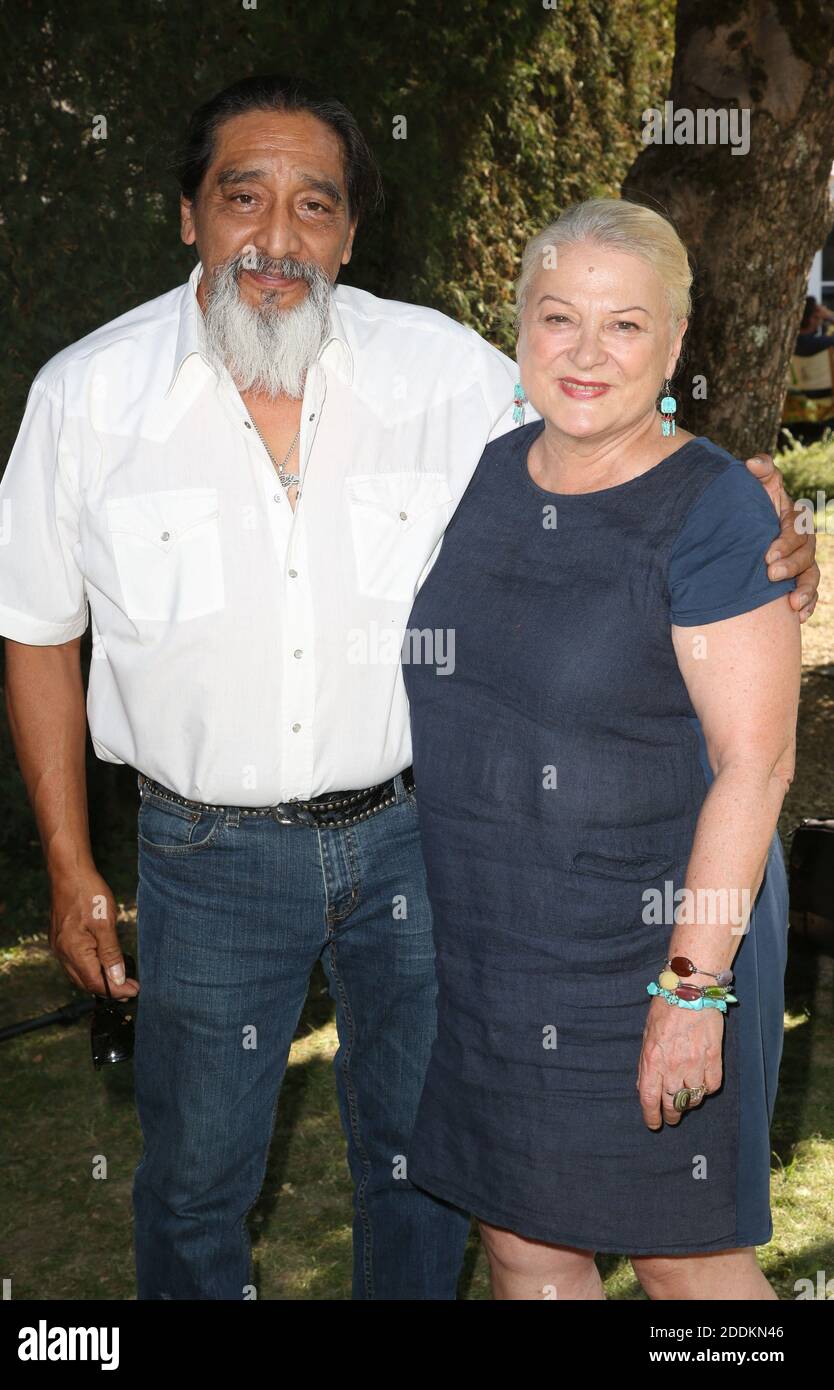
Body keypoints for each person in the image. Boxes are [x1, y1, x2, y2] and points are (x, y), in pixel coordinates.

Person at [0, 81, 817, 1301]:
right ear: (186, 216)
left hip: (423, 851)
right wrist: (68, 862)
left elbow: (615, 423)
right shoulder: (86, 398)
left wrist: (755, 517)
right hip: (206, 859)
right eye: (241, 196)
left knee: (427, 1170)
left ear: (350, 232)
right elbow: (36, 631)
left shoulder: (446, 373)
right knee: (196, 1178)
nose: (276, 236)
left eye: (314, 203)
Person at [403, 197, 803, 1301]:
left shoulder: (715, 509)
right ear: (518, 329)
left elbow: (754, 765)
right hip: (493, 945)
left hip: (649, 947)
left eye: (624, 325)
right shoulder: (480, 477)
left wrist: (690, 991)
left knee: (683, 1258)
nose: (584, 353)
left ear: (674, 342)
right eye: (556, 318)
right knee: (524, 1242)